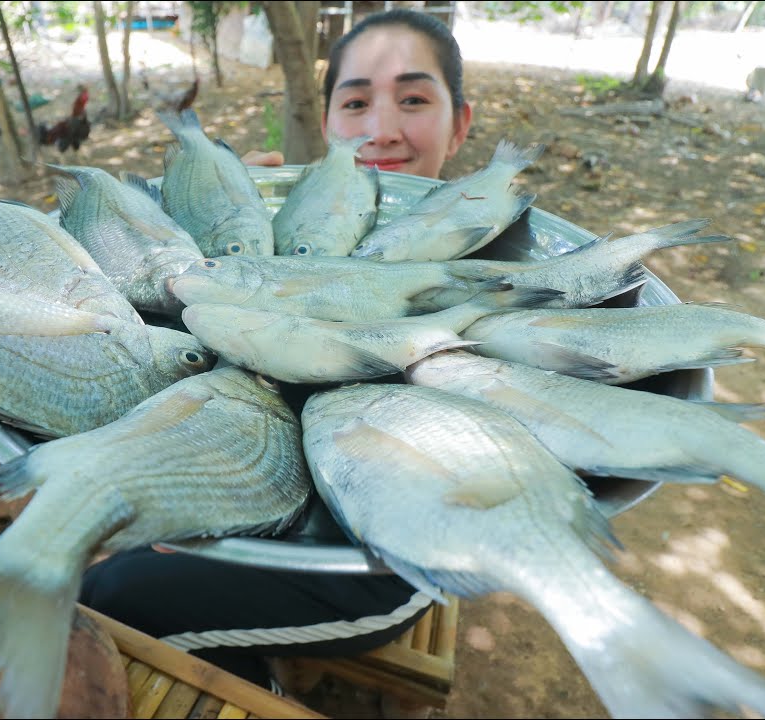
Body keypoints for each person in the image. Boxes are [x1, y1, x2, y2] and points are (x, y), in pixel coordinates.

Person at [79, 8, 473, 692]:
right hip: (240, 486)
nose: (380, 127)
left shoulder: (478, 254)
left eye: (413, 99)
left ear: (459, 122)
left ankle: (251, 688)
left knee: (108, 601)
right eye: (355, 102)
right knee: (98, 575)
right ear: (327, 123)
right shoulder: (290, 214)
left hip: (378, 566)